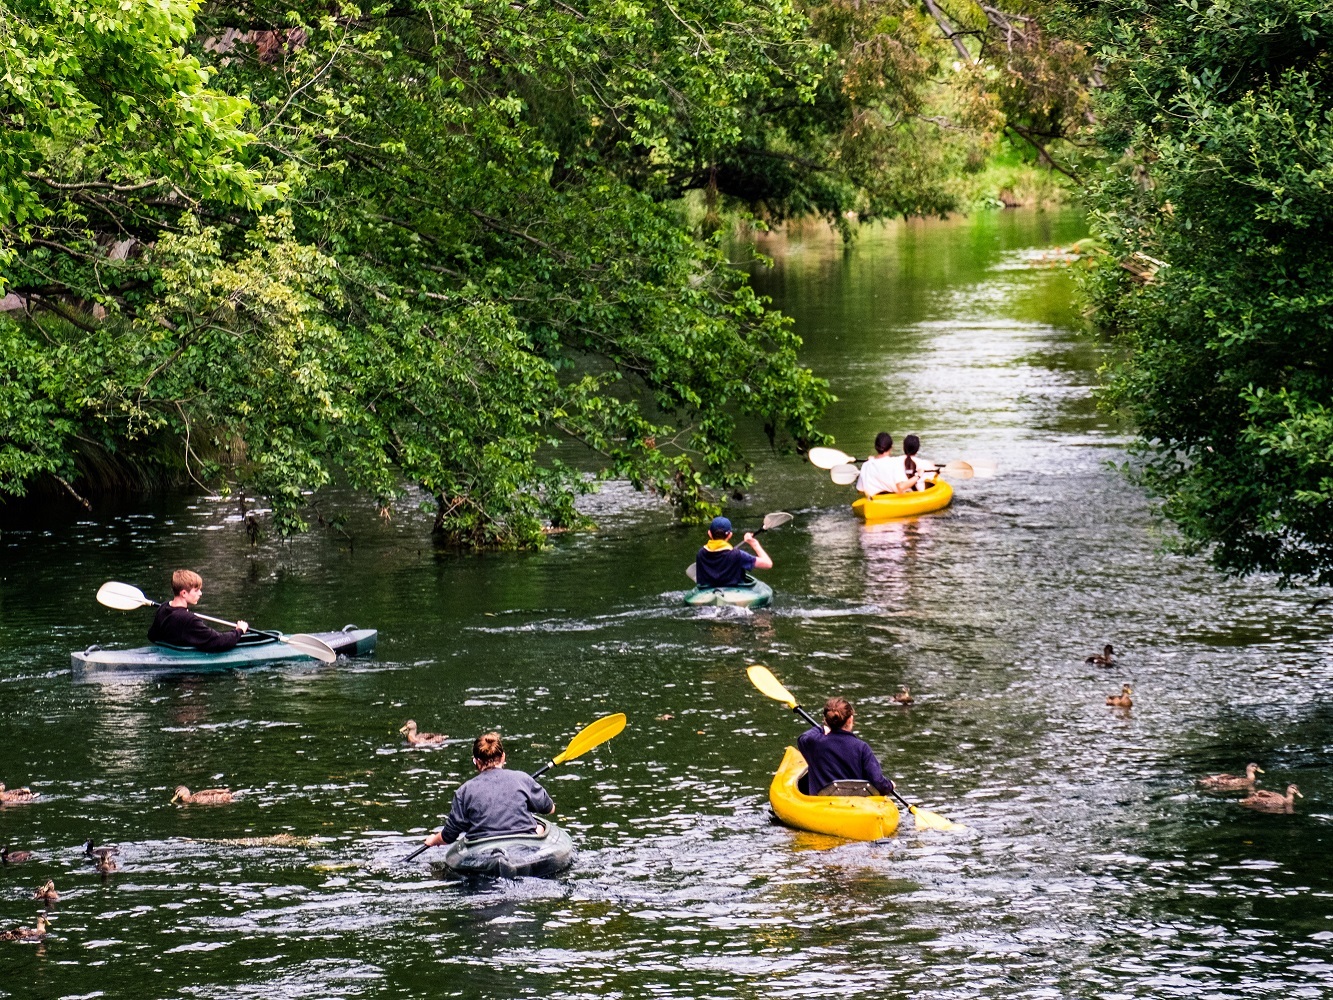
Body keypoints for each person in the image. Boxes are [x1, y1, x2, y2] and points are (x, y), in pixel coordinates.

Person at [420, 732, 555, 847]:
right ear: (503, 757)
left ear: (476, 762)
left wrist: (433, 840)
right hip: (521, 846)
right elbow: (549, 809)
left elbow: (449, 836)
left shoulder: (464, 791)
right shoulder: (523, 779)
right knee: (540, 827)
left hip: (483, 847)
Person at [797, 697, 895, 797]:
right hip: (855, 805)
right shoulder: (862, 748)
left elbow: (804, 737)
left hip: (823, 805)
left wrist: (821, 728)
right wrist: (890, 785)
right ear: (850, 720)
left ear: (826, 720)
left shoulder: (814, 743)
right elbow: (878, 782)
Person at [146, 569, 248, 651]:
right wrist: (239, 631)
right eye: (196, 590)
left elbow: (151, 636)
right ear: (184, 593)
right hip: (184, 672)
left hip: (167, 653)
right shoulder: (188, 619)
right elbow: (217, 641)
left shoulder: (163, 607)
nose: (200, 593)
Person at [693, 515, 773, 588]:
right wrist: (754, 543)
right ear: (730, 535)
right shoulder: (737, 555)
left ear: (709, 533)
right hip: (733, 596)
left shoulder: (700, 554)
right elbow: (768, 564)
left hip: (707, 595)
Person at [855, 433, 900, 497]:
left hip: (874, 501)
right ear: (891, 447)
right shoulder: (896, 462)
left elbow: (860, 490)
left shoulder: (866, 465)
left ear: (876, 447)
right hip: (894, 499)